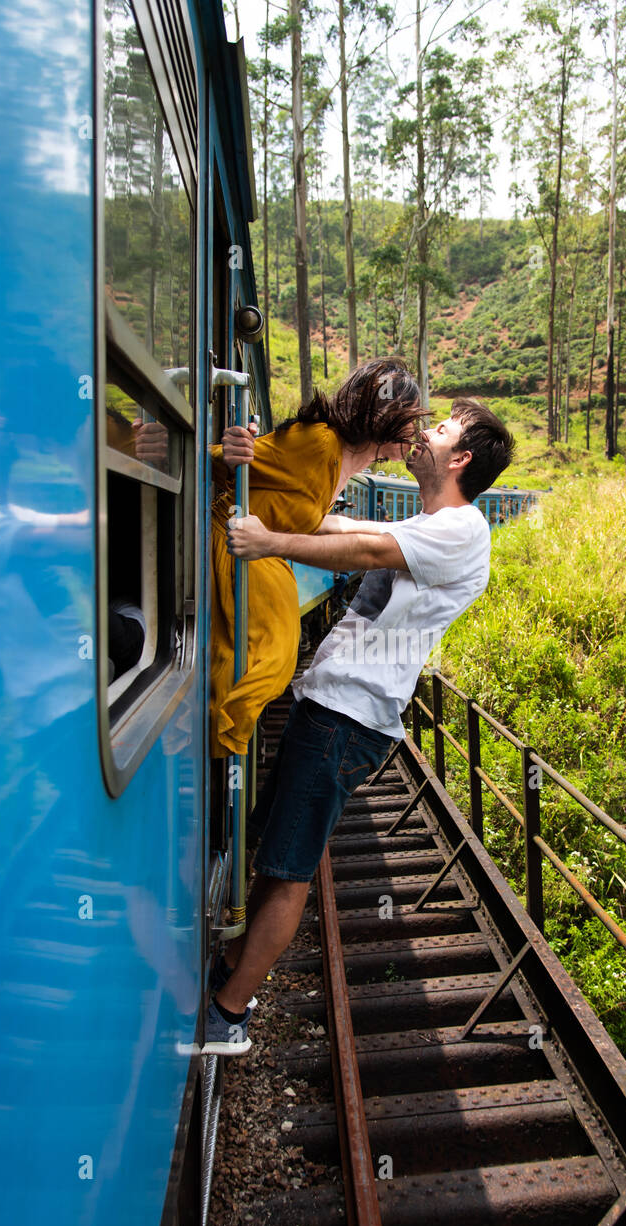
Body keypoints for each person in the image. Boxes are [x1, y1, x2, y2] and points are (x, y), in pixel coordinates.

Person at [202, 397, 515, 1054]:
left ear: (459, 458)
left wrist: (267, 541)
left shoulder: (460, 530)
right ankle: (233, 972)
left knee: (289, 868)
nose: (422, 435)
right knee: (277, 857)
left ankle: (228, 1016)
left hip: (349, 717)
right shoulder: (433, 522)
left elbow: (364, 548)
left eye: (439, 431)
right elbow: (335, 521)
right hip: (332, 707)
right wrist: (254, 468)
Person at [209, 358, 422, 759]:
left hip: (260, 551)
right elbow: (225, 460)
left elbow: (315, 520)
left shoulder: (341, 458)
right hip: (237, 540)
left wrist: (394, 534)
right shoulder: (320, 442)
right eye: (409, 418)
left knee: (270, 656)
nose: (415, 431)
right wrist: (229, 450)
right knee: (267, 656)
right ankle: (214, 741)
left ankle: (220, 748)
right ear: (384, 415)